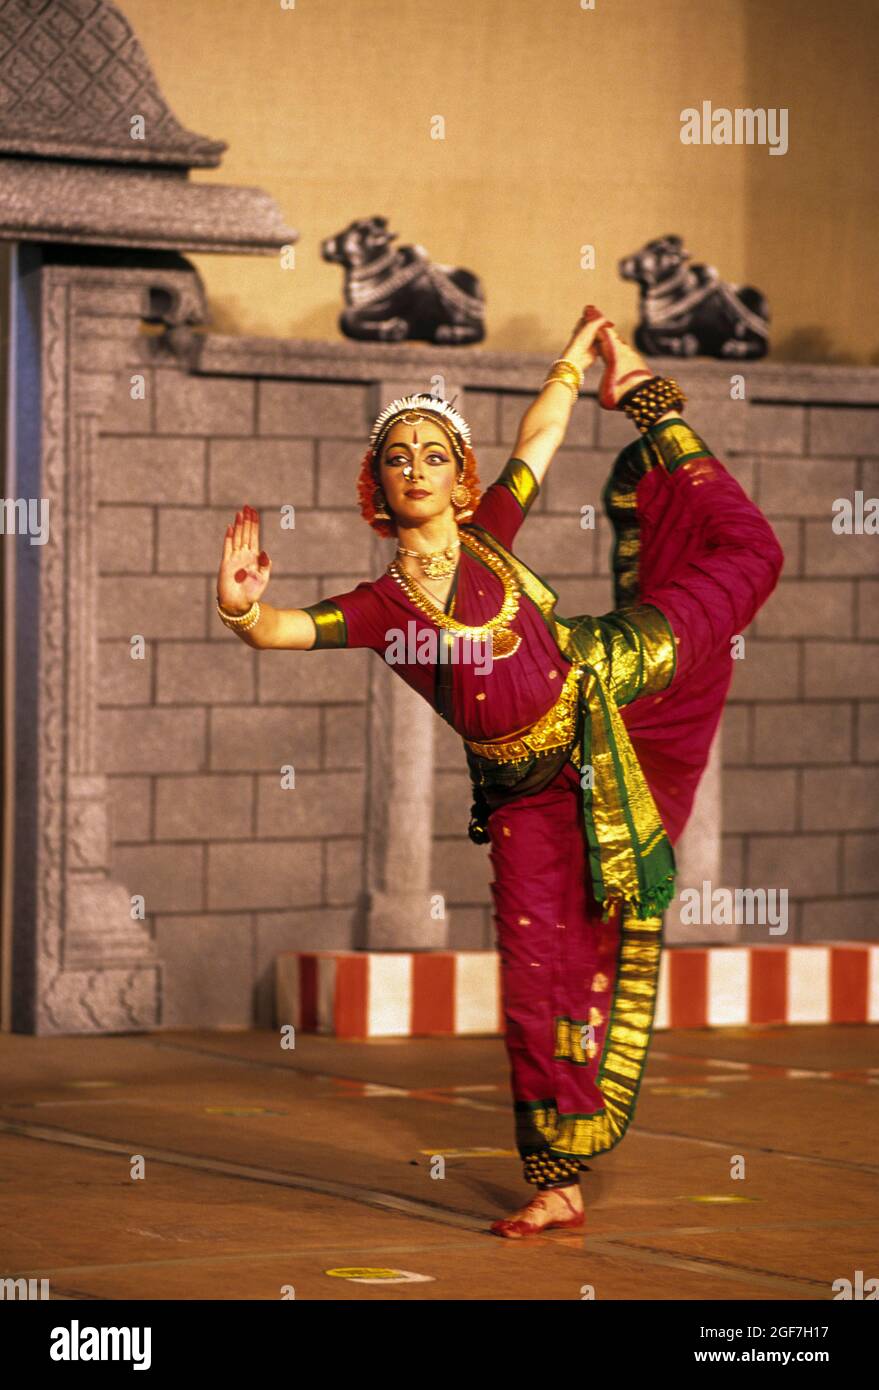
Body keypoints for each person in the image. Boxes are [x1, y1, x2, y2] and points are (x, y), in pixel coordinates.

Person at [215, 307, 784, 1238]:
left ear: (459, 477)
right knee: (535, 975)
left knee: (751, 555)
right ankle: (555, 1174)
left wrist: (574, 364)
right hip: (526, 797)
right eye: (397, 456)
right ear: (376, 485)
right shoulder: (378, 607)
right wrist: (244, 608)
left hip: (604, 681)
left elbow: (539, 437)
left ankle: (648, 398)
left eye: (433, 454)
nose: (415, 468)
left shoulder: (492, 531)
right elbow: (284, 629)